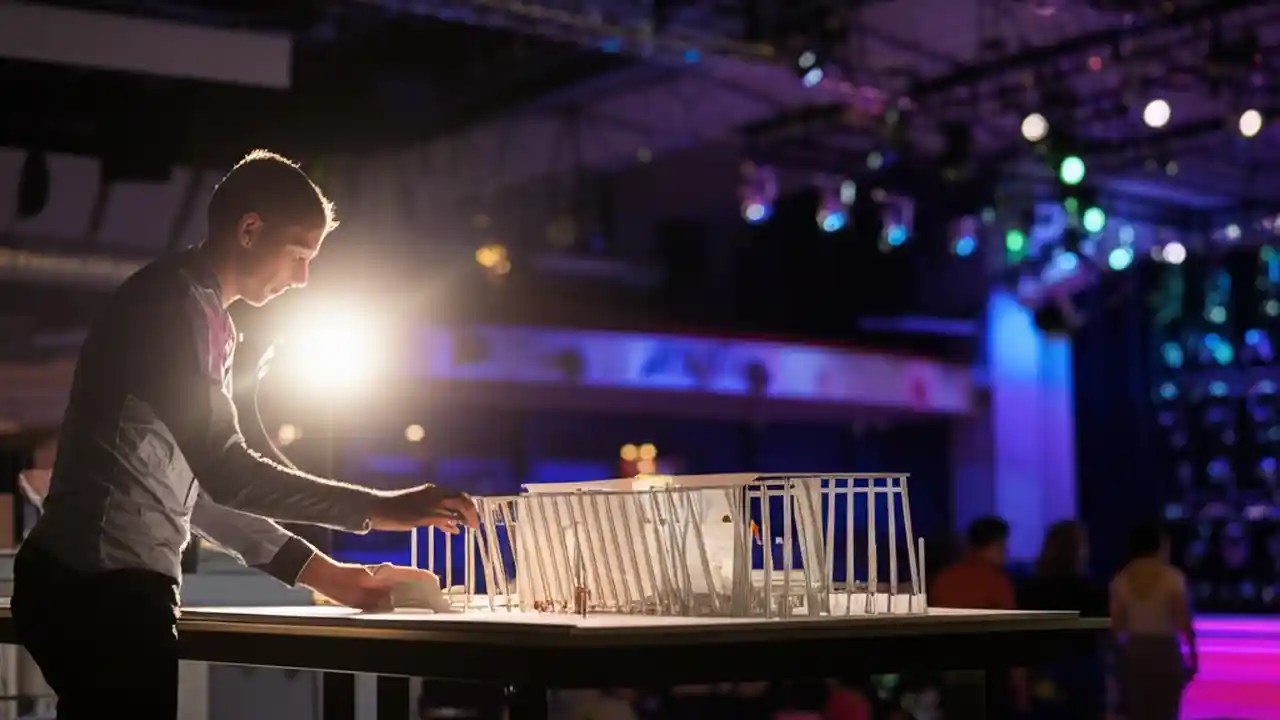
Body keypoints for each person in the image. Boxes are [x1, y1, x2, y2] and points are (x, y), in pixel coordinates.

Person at [11, 149, 480, 720]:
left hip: (92, 586)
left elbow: (202, 493)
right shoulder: (171, 308)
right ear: (250, 230)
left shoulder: (199, 313)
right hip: (101, 591)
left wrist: (333, 577)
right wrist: (381, 508)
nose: (302, 278)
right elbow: (228, 475)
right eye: (299, 255)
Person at [929, 516, 1023, 719]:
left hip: (947, 674)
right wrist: (1021, 691)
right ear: (997, 545)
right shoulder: (997, 582)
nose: (1007, 552)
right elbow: (1011, 639)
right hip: (991, 678)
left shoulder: (944, 579)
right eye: (1003, 546)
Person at [1017, 520, 1108, 720]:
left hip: (1043, 670)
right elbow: (1102, 631)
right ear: (1079, 549)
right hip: (1083, 672)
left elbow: (1021, 638)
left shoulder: (1031, 588)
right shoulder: (1089, 588)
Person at [1110, 521, 1196, 720]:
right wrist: (1193, 657)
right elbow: (1183, 621)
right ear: (1160, 545)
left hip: (1133, 653)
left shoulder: (1120, 580)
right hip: (1165, 652)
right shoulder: (1173, 578)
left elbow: (1116, 627)